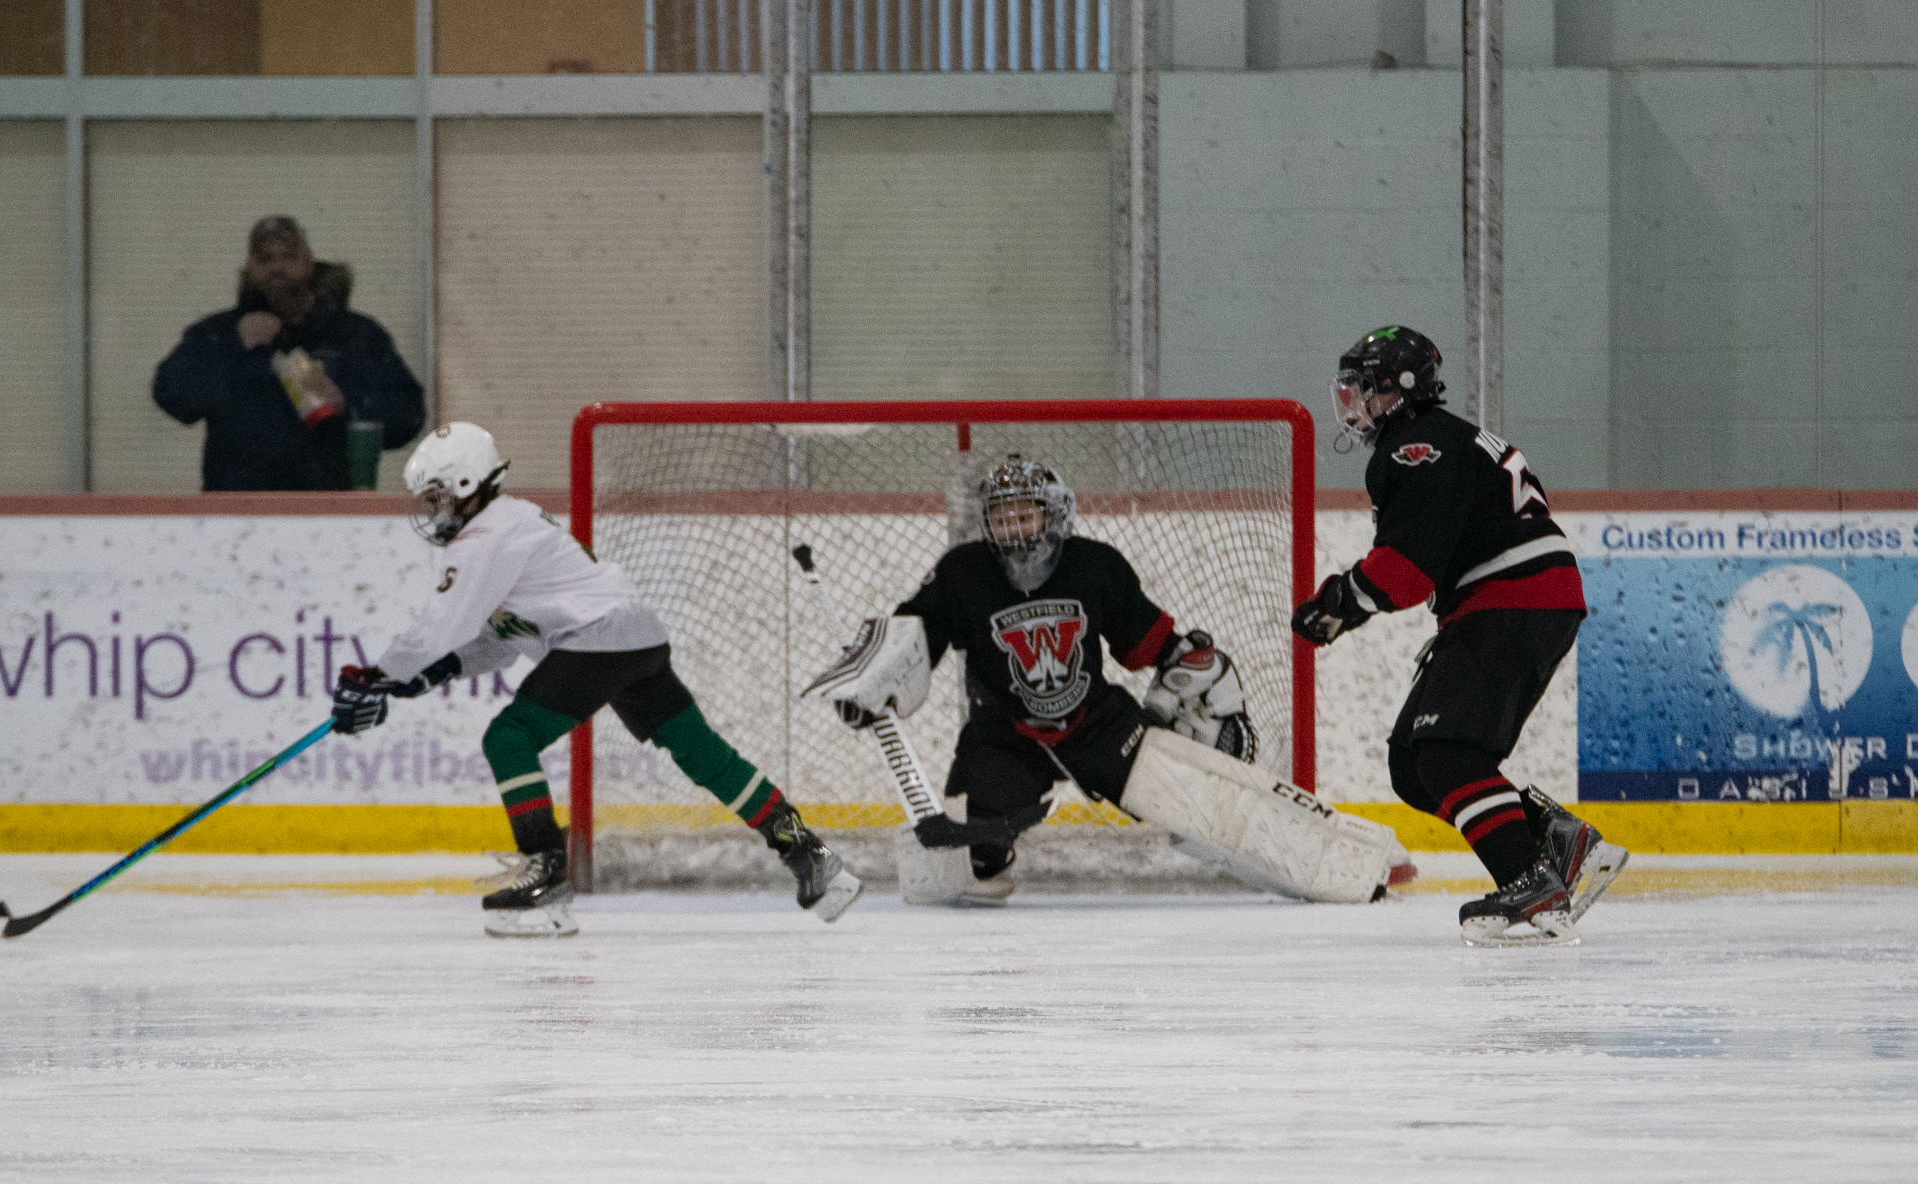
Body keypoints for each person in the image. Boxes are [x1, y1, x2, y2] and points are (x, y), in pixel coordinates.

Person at [328, 421, 862, 938]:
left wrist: (376, 676)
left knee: (508, 738)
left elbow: (439, 626)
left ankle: (546, 875)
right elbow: (499, 640)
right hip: (636, 637)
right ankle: (808, 854)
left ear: (467, 485)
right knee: (700, 751)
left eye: (438, 495)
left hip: (599, 639)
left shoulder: (486, 536)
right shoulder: (511, 524)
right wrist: (419, 679)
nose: (434, 509)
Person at [805, 454, 1407, 907]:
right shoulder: (963, 572)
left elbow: (1150, 643)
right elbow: (914, 642)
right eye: (1001, 515)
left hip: (1098, 724)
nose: (1013, 526)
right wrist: (869, 690)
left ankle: (1351, 863)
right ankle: (988, 853)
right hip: (1004, 734)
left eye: (1025, 512)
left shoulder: (1094, 564)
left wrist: (1191, 669)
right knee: (958, 873)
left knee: (1215, 811)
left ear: (1054, 513)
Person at [1292, 324, 1628, 946]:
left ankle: (1532, 886)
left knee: (1448, 754)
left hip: (1511, 599)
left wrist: (1341, 600)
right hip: (1511, 599)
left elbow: (1406, 571)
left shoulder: (1414, 447)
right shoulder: (1442, 437)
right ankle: (1558, 842)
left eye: (1361, 390)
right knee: (1412, 764)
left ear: (1399, 390)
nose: (1349, 404)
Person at [153, 215, 424, 491]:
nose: (277, 268)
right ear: (247, 269)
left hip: (331, 517)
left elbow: (408, 415)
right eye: (265, 259)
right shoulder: (219, 333)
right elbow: (174, 398)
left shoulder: (353, 334)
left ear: (309, 262)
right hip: (236, 515)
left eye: (288, 257)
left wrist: (347, 403)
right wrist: (238, 349)